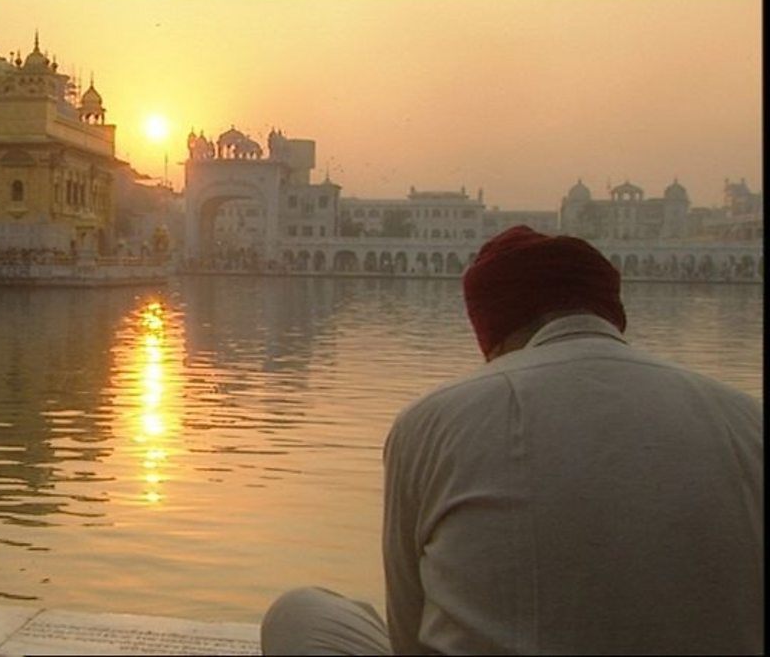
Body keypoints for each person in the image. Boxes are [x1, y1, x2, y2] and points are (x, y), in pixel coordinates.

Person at [261, 225, 763, 655]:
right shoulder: (747, 417)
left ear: (494, 332)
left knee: (302, 613)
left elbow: (408, 633)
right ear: (609, 311)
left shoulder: (433, 420)